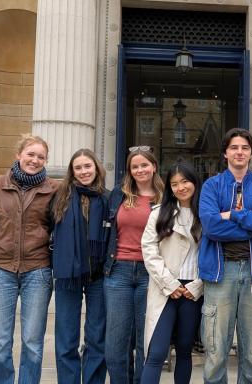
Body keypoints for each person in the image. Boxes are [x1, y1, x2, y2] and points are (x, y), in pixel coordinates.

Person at [199, 128, 252, 384]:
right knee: (215, 351)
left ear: (251, 153)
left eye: (245, 148)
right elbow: (211, 227)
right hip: (220, 273)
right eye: (234, 147)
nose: (239, 152)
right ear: (225, 153)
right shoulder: (211, 186)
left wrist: (234, 215)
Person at [0, 135, 58, 384]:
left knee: (33, 343)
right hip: (0, 269)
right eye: (30, 154)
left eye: (41, 156)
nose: (35, 160)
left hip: (37, 270)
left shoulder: (54, 189)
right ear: (19, 155)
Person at [104, 146, 165, 384]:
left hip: (151, 273)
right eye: (135, 166)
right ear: (129, 170)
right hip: (118, 269)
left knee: (145, 341)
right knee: (115, 343)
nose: (140, 170)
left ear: (154, 167)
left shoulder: (165, 197)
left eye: (144, 165)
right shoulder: (118, 195)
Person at [140, 161, 204, 384]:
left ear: (195, 182)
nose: (180, 187)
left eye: (185, 181)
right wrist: (169, 283)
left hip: (192, 291)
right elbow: (149, 250)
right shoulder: (159, 213)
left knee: (185, 351)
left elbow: (214, 253)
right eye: (174, 184)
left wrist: (197, 285)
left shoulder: (206, 213)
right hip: (165, 288)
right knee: (156, 353)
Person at [51, 149, 109, 384]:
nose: (84, 171)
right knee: (66, 338)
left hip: (99, 275)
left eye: (88, 166)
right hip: (68, 275)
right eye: (78, 168)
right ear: (72, 171)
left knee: (97, 338)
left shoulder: (108, 198)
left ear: (96, 168)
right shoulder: (59, 198)